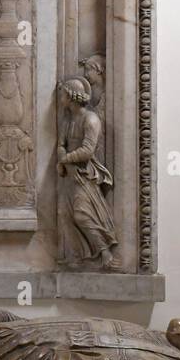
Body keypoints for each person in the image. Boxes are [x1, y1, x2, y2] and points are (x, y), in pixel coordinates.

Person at [58, 75, 118, 268]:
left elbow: (87, 150)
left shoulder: (90, 119)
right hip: (69, 173)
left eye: (63, 94)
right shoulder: (68, 119)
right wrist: (62, 160)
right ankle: (75, 257)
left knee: (82, 215)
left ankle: (106, 254)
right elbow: (61, 144)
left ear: (71, 96)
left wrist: (66, 159)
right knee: (64, 214)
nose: (60, 97)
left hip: (84, 173)